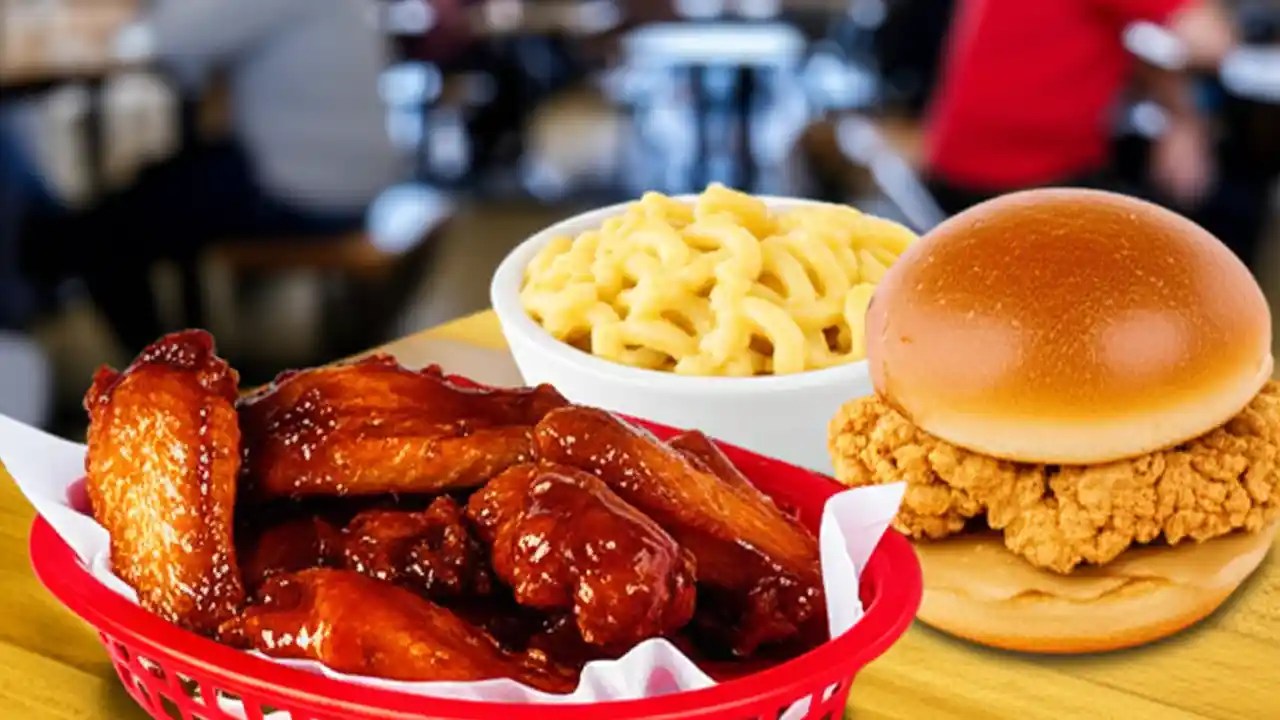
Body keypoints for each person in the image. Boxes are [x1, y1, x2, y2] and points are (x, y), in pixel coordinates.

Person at [27, 0, 400, 355]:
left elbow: (161, 40)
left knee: (97, 234)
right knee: (151, 192)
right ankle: (167, 362)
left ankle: (162, 378)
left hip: (301, 188)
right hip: (350, 177)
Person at [922, 1, 1236, 216]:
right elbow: (1213, 42)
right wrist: (1185, 121)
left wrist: (1181, 119)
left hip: (951, 167)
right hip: (1027, 179)